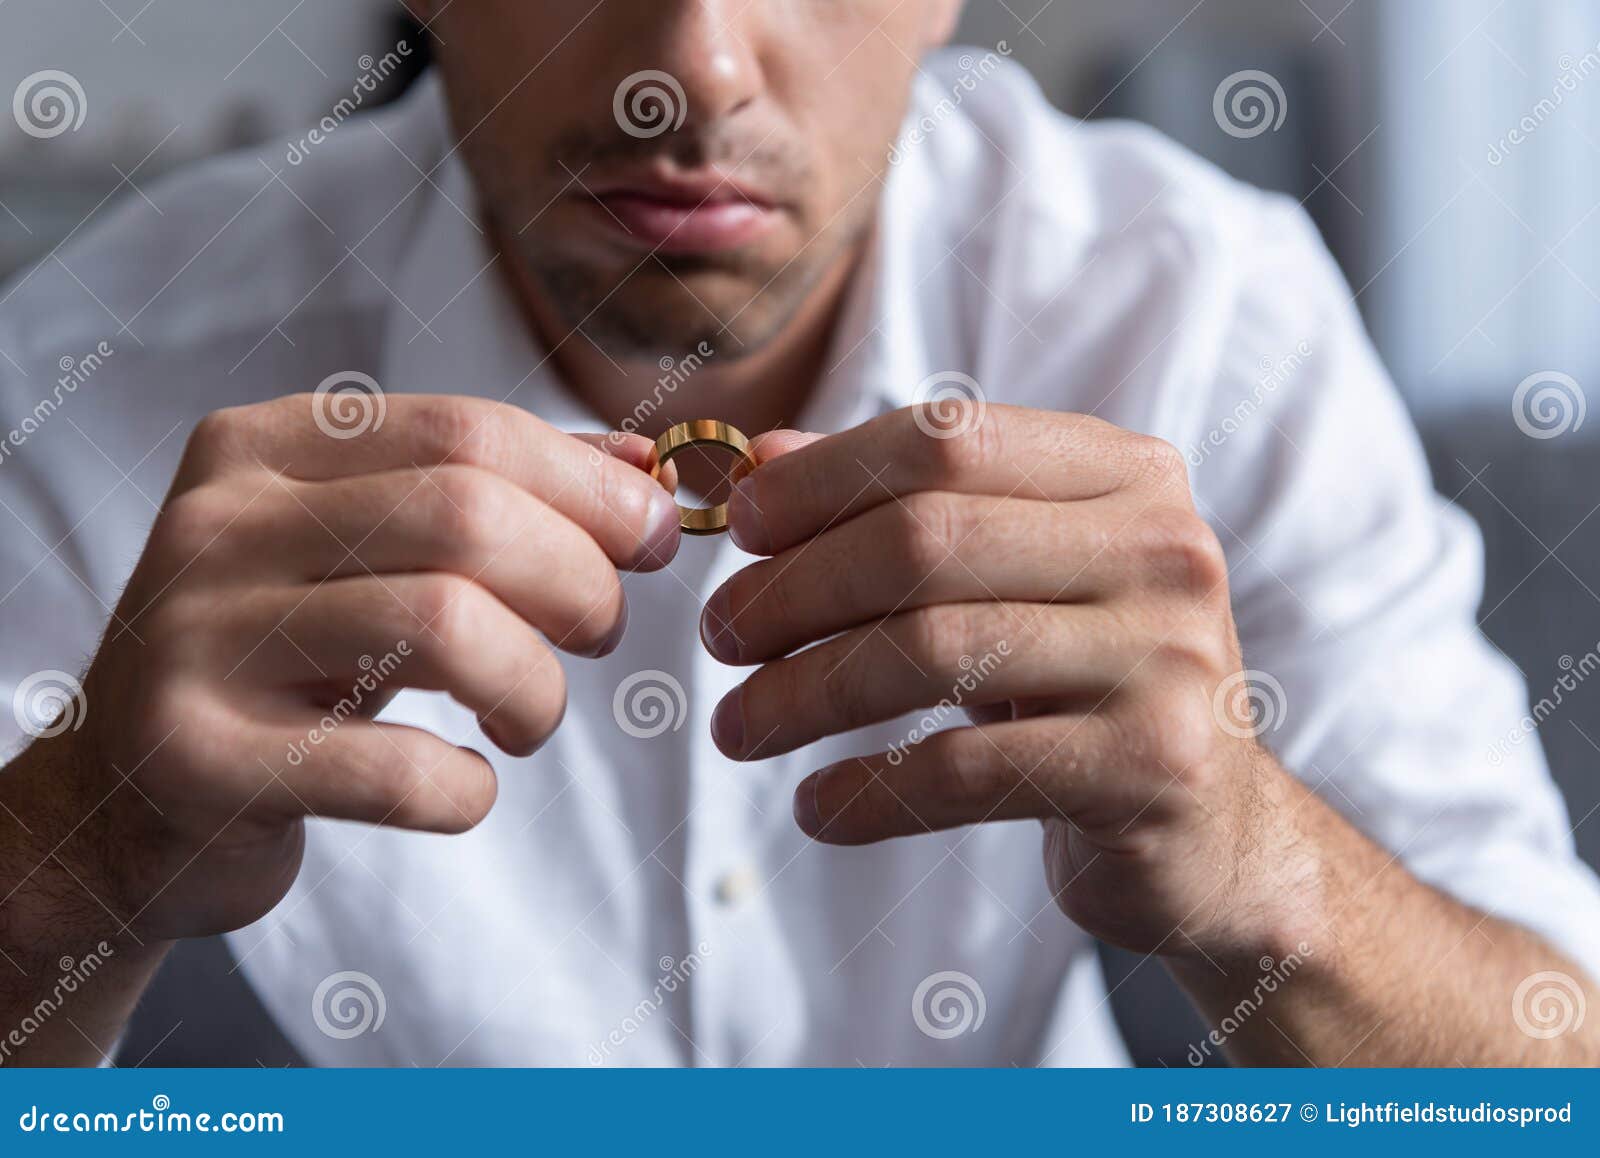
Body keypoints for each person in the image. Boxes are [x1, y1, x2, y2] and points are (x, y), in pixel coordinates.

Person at [1, 1, 1596, 1068]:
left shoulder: (1201, 316)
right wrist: (73, 853)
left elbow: (1560, 1055)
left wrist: (1265, 870)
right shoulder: (93, 364)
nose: (690, 70)